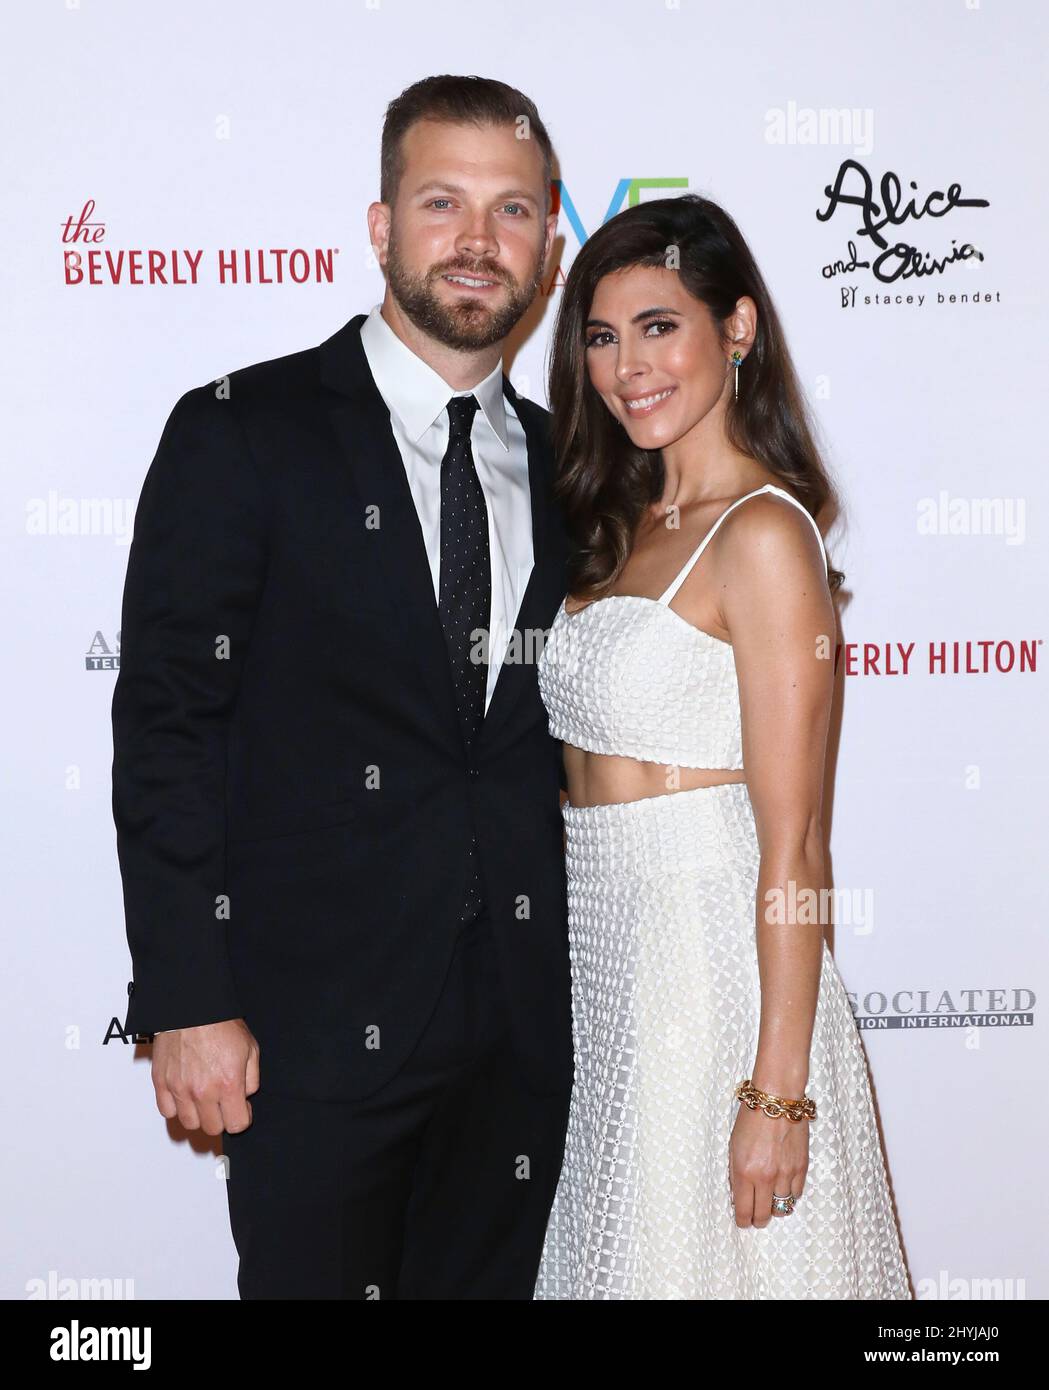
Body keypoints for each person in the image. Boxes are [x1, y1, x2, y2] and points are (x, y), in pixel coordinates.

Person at [111, 74, 575, 1300]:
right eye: (442, 203)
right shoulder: (241, 430)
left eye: (512, 211)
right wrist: (186, 998)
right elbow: (167, 726)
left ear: (549, 244)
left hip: (524, 1039)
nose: (477, 242)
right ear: (380, 229)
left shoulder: (572, 467)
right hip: (307, 1036)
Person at [532, 193, 912, 1299]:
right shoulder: (618, 522)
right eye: (600, 336)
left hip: (715, 985)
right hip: (611, 978)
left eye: (658, 325)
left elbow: (794, 848)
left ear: (734, 329)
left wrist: (778, 1089)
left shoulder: (761, 534)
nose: (624, 367)